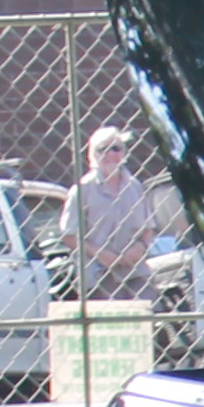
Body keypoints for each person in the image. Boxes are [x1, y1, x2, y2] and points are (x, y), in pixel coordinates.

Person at [57, 126, 164, 303]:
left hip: (135, 271)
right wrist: (102, 255)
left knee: (147, 316)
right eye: (103, 149)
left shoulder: (135, 186)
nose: (110, 154)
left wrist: (140, 248)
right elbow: (69, 236)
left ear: (124, 153)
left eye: (116, 148)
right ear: (93, 155)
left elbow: (148, 228)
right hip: (99, 274)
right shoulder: (82, 190)